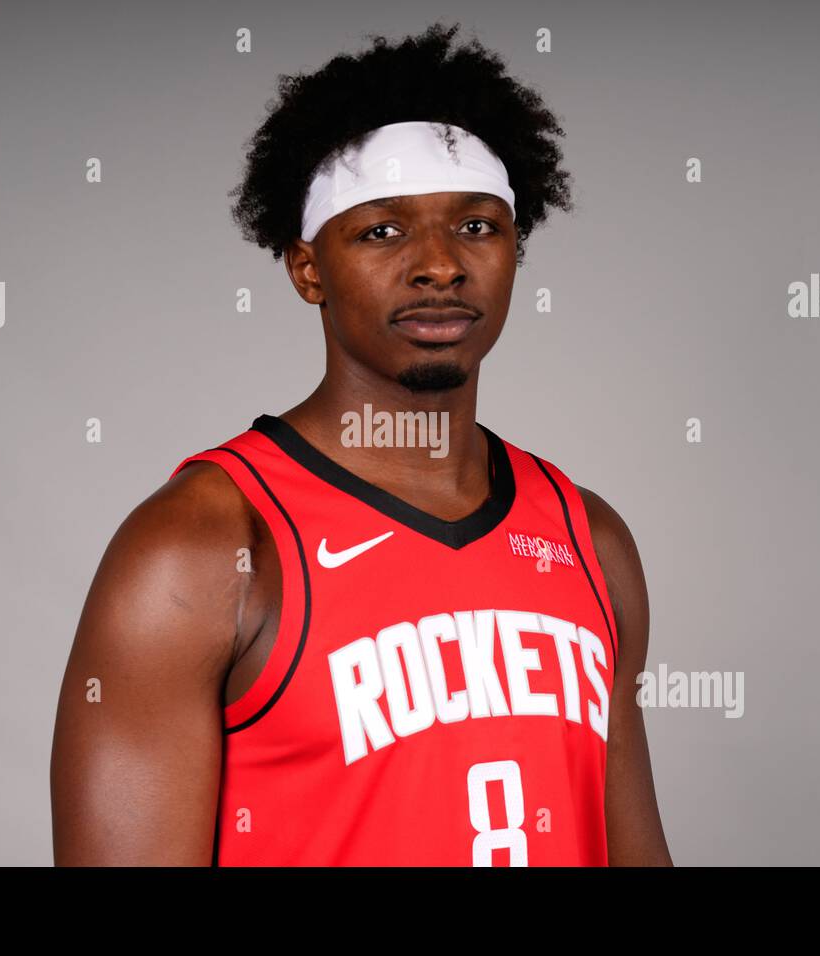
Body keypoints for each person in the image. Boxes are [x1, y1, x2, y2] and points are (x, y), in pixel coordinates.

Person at [50, 21, 671, 866]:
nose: (440, 265)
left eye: (478, 227)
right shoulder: (203, 546)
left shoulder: (589, 539)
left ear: (517, 249)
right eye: (383, 231)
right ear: (308, 268)